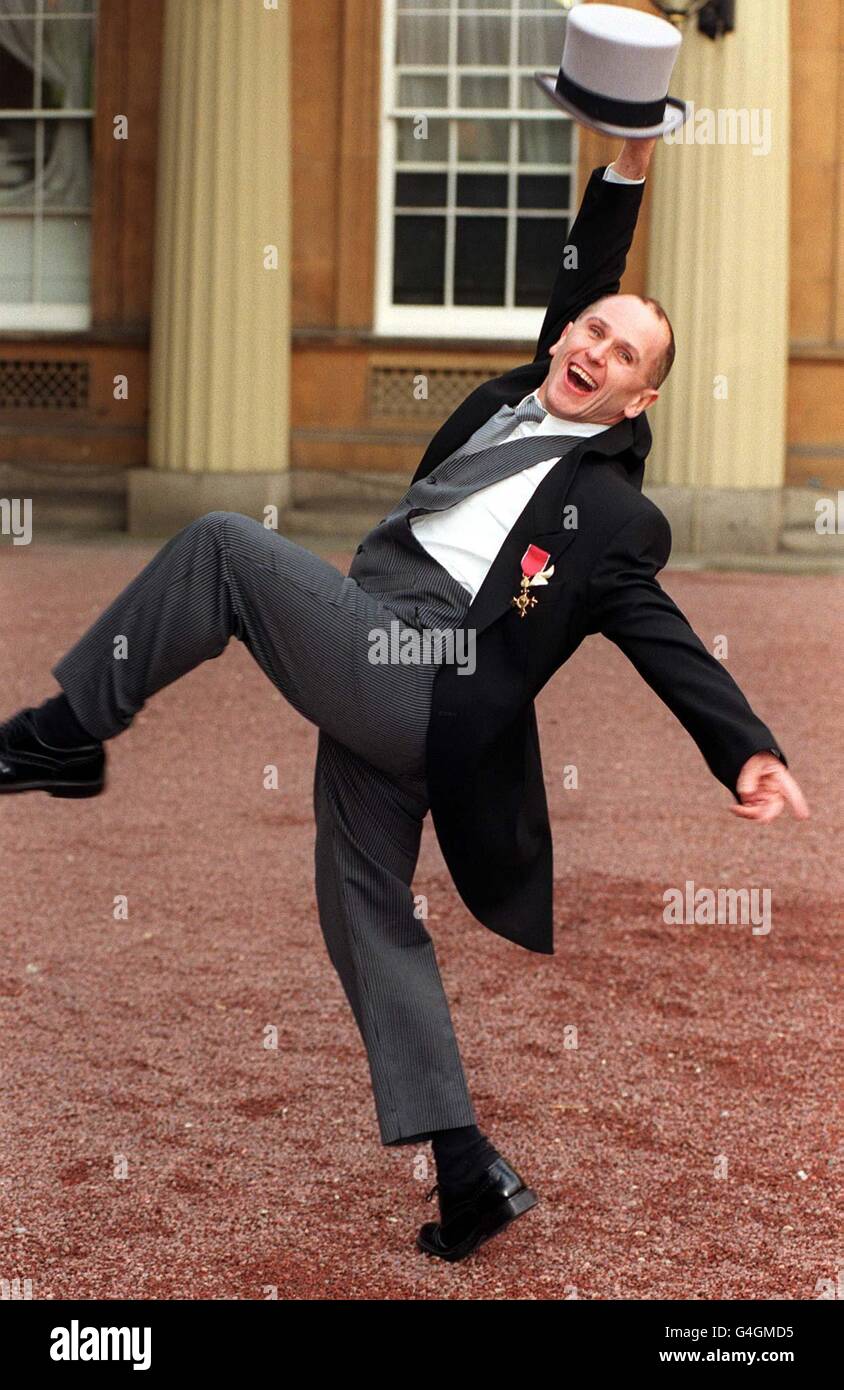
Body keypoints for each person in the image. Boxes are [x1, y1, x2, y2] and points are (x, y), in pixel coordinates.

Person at [0, 137, 809, 1264]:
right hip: (379, 654)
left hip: (427, 680)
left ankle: (61, 733)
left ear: (642, 394)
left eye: (622, 352)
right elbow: (585, 269)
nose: (594, 348)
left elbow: (663, 638)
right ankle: (469, 1167)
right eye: (590, 329)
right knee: (364, 911)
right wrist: (625, 156)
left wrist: (745, 750)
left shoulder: (620, 517)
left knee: (228, 549)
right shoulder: (529, 383)